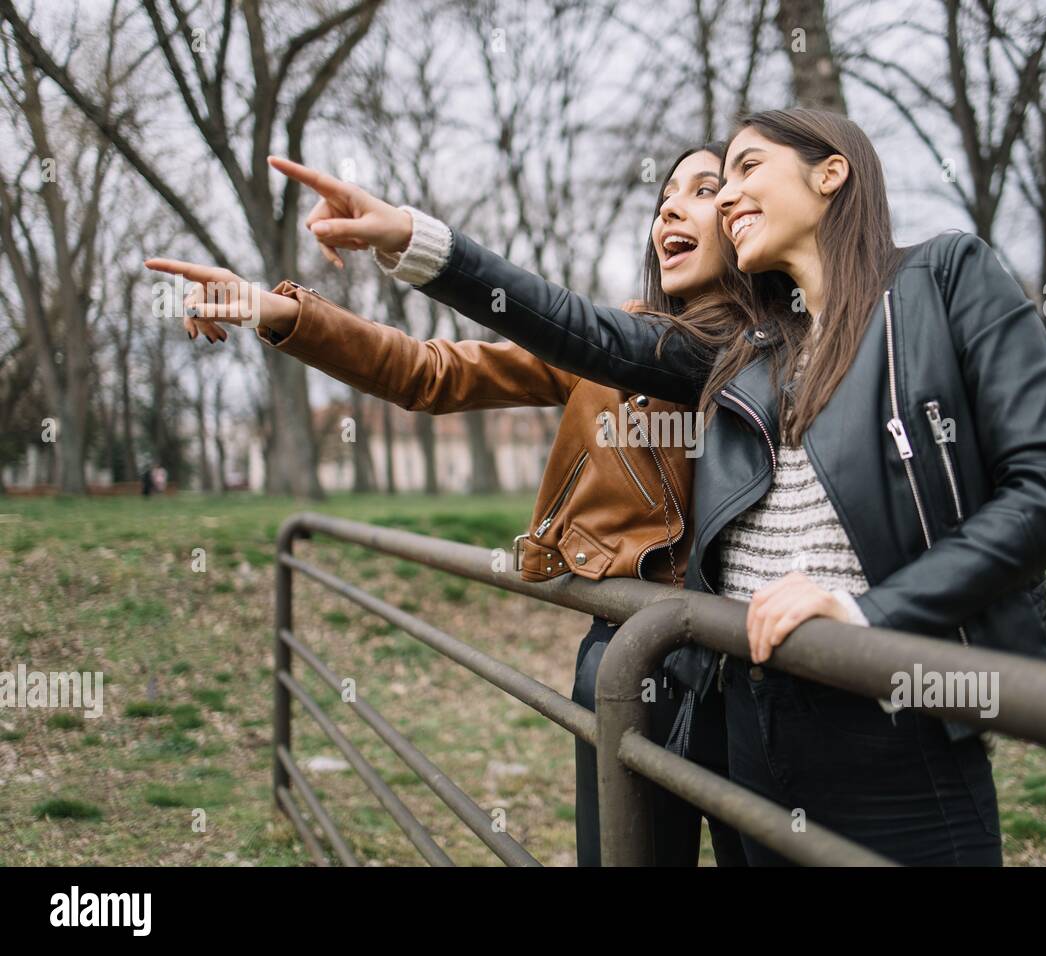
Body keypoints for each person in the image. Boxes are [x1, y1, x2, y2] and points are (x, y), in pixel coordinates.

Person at [262, 107, 1046, 866]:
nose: (723, 197)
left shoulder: (942, 277)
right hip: (753, 713)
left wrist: (866, 612)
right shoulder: (743, 354)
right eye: (709, 184)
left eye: (741, 171)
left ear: (831, 172)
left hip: (890, 718)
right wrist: (410, 238)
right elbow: (553, 331)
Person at [145, 145, 752, 867]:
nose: (670, 209)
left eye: (705, 189)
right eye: (663, 197)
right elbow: (431, 373)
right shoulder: (605, 344)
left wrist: (410, 235)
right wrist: (282, 313)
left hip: (747, 675)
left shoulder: (770, 348)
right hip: (625, 662)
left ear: (745, 214)